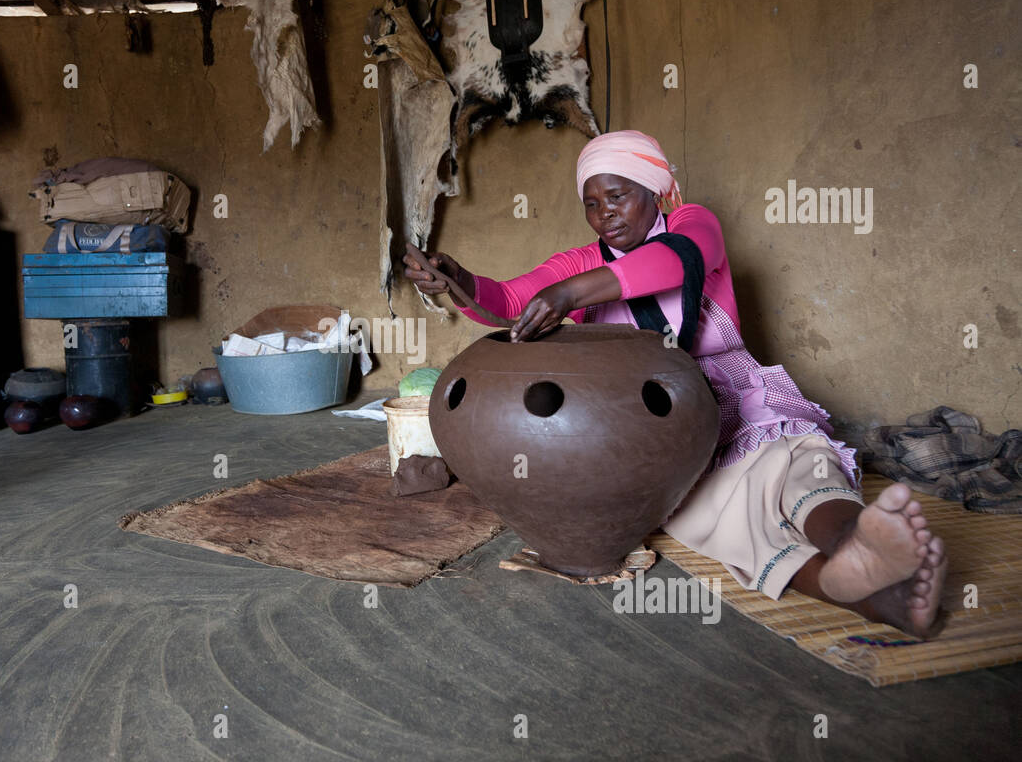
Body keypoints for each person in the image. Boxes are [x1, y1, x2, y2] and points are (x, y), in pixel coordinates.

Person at [403, 130, 947, 639]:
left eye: (616, 196)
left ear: (655, 192)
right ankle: (869, 597)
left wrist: (571, 296)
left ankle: (855, 541)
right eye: (591, 203)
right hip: (648, 427)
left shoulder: (692, 224)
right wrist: (460, 281)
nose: (603, 215)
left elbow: (675, 262)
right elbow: (510, 300)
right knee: (712, 515)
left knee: (798, 461)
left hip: (728, 392)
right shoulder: (581, 261)